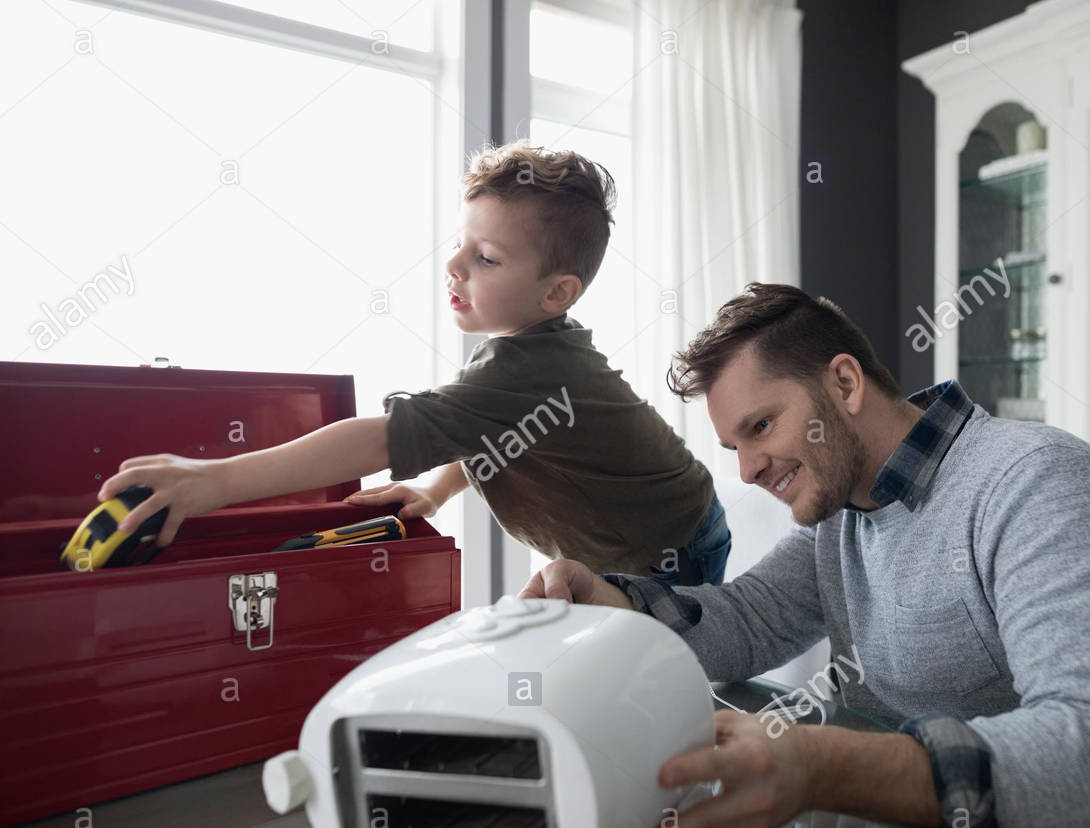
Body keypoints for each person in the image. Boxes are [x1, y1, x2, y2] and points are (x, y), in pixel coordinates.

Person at [521, 282, 1090, 828]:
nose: (747, 469)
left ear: (844, 384)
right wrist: (613, 599)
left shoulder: (1040, 485)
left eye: (761, 426)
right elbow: (749, 620)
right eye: (734, 446)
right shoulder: (844, 514)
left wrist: (823, 765)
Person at [97, 142, 729, 584]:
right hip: (624, 541)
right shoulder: (520, 355)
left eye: (485, 257)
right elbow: (496, 431)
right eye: (458, 246)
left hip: (670, 549)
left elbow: (380, 439)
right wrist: (435, 486)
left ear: (557, 292)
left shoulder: (530, 367)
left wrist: (215, 481)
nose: (455, 267)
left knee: (650, 693)